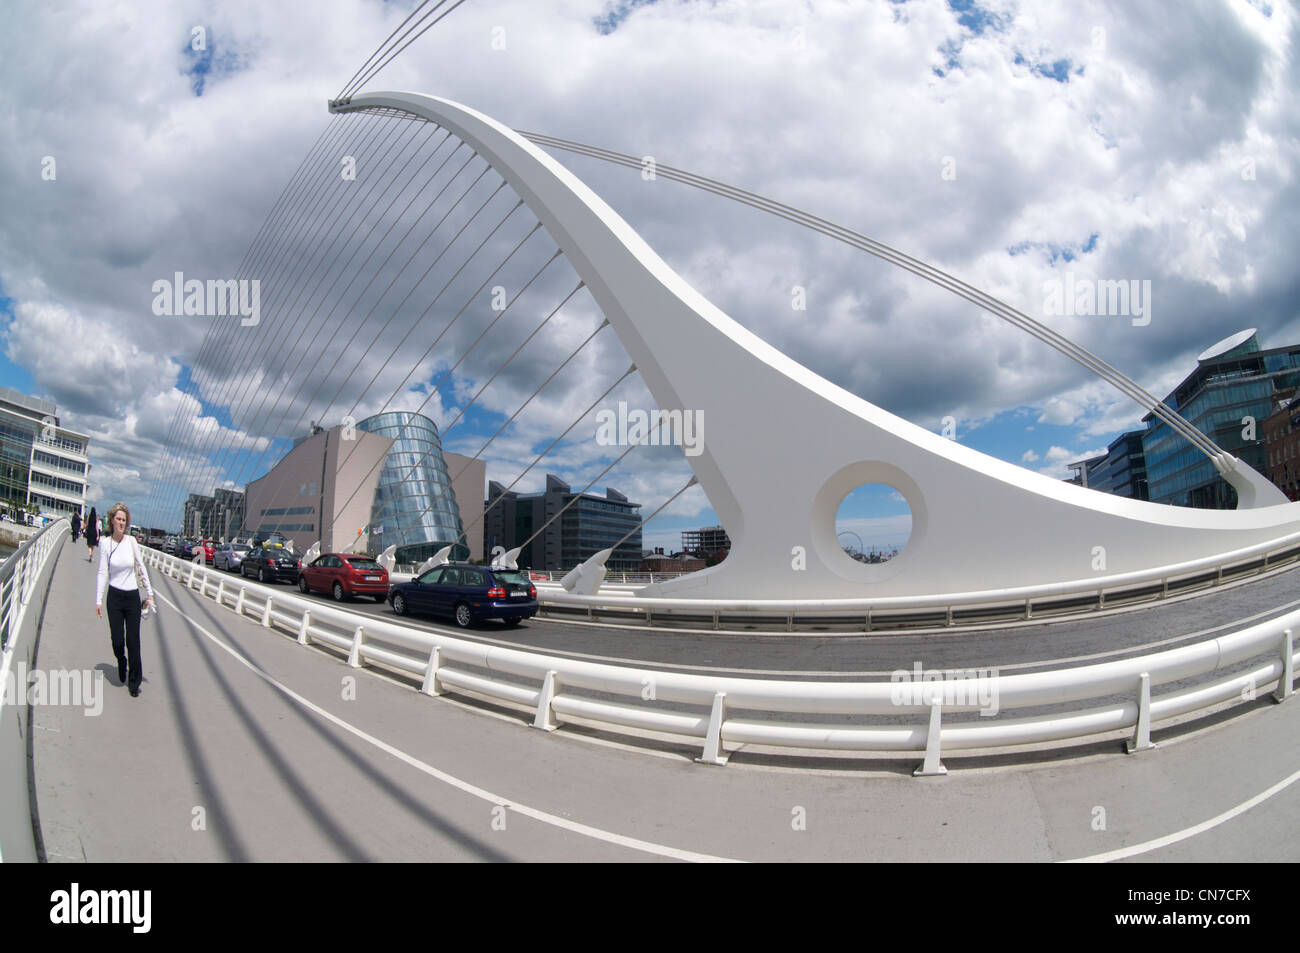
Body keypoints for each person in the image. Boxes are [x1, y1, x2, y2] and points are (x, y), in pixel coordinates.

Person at [94, 503, 154, 696]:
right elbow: (103, 572)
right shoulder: (105, 543)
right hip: (114, 597)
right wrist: (98, 599)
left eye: (124, 520)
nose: (121, 522)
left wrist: (150, 593)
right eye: (118, 519)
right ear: (112, 520)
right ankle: (121, 660)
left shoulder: (131, 542)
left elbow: (141, 566)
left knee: (133, 641)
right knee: (118, 640)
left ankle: (134, 683)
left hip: (131, 597)